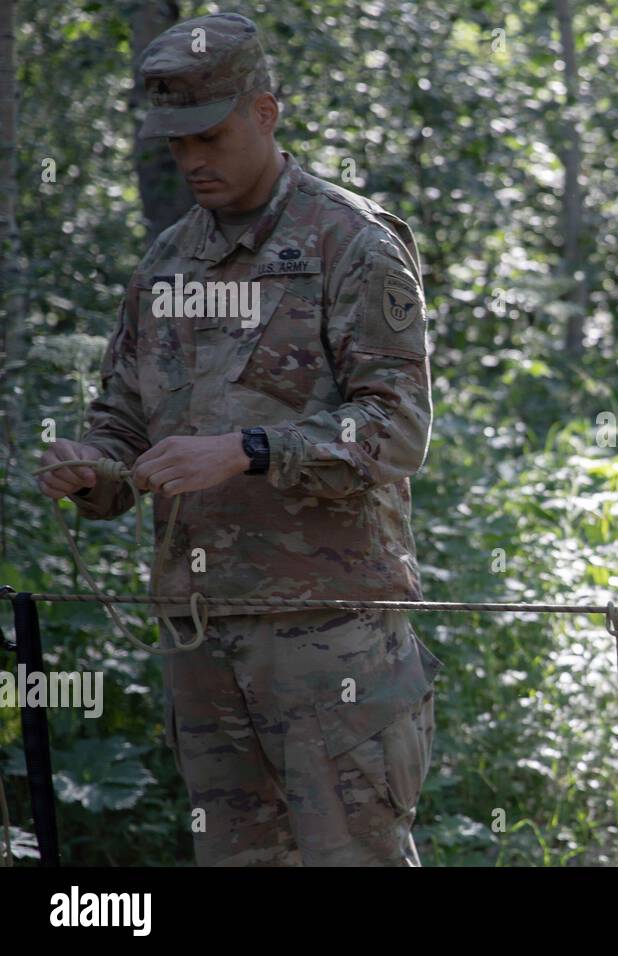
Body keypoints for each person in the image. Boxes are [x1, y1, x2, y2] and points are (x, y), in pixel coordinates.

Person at [34, 12, 439, 866]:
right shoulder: (167, 263)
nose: (192, 161)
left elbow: (397, 429)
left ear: (265, 112)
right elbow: (124, 423)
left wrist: (250, 451)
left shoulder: (350, 243)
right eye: (176, 143)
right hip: (201, 630)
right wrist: (92, 469)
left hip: (329, 630)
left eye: (210, 136)